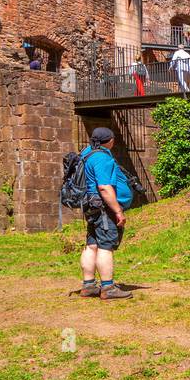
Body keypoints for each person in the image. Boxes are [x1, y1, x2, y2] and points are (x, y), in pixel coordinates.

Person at [77, 127, 134, 300]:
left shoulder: (86, 153)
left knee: (92, 244)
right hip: (103, 207)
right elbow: (104, 187)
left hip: (89, 205)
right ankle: (108, 288)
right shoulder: (102, 158)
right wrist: (118, 210)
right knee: (105, 246)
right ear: (108, 140)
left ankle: (88, 286)